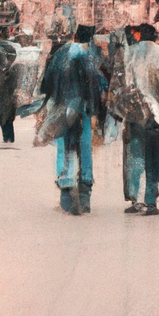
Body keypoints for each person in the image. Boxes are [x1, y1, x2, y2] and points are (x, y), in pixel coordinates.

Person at [36, 25, 104, 215]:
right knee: (85, 149)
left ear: (74, 36)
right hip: (83, 109)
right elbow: (99, 84)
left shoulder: (60, 54)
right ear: (91, 38)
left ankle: (66, 195)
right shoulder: (92, 55)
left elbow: (46, 83)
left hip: (61, 109)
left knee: (63, 150)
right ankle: (85, 197)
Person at [109, 23, 159, 216]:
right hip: (152, 112)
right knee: (152, 156)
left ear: (140, 36)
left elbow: (121, 81)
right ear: (155, 37)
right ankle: (150, 201)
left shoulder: (130, 53)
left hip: (132, 110)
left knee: (134, 154)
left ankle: (135, 199)